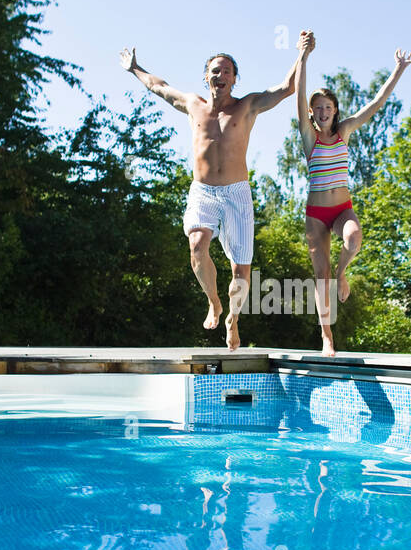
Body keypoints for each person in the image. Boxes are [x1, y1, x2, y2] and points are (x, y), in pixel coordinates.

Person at [119, 42, 302, 349]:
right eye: (215, 70)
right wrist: (135, 68)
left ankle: (233, 319)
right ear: (207, 76)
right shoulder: (193, 104)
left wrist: (301, 53)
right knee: (196, 245)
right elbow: (159, 87)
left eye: (227, 71)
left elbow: (288, 87)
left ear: (234, 79)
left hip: (237, 194)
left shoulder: (247, 106)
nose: (221, 75)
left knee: (241, 270)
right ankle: (214, 302)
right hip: (203, 191)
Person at [294, 38, 411, 355]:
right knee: (320, 277)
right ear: (311, 112)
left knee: (354, 239)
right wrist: (303, 57)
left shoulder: (344, 131)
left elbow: (375, 104)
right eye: (317, 108)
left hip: (342, 210)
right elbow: (298, 95)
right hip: (316, 216)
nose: (322, 112)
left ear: (335, 112)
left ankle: (342, 272)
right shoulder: (310, 138)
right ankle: (326, 336)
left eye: (328, 108)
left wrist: (398, 70)